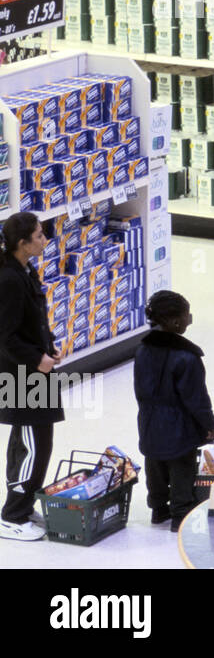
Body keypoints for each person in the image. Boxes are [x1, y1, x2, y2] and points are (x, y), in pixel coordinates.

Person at [0, 212, 64, 541]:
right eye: (39, 236)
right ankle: (12, 514)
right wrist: (35, 358)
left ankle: (25, 505)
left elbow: (36, 319)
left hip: (38, 369)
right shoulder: (8, 279)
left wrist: (50, 348)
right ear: (22, 244)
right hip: (22, 375)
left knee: (39, 441)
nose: (44, 239)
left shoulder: (27, 271)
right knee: (29, 445)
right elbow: (5, 336)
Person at [134, 290, 214, 531]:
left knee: (155, 463)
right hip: (180, 424)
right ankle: (181, 514)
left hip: (148, 420)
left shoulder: (141, 350)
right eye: (187, 316)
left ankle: (158, 509)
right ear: (175, 322)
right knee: (182, 467)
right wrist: (209, 424)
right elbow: (197, 399)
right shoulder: (187, 358)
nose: (189, 320)